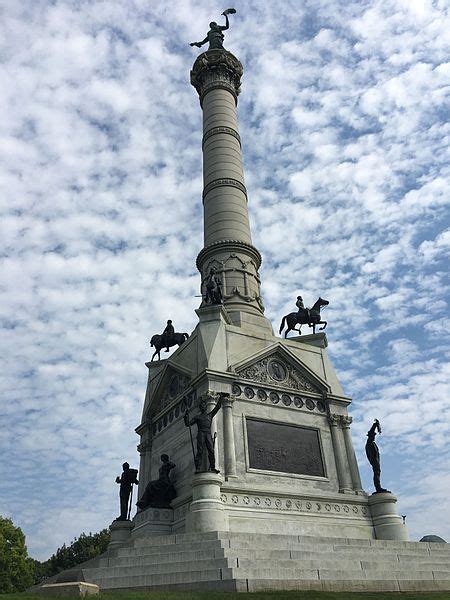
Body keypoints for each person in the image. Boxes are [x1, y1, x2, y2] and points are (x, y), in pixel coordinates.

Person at [184, 395, 224, 473]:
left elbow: (218, 407)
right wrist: (185, 416)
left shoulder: (210, 415)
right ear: (200, 408)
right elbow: (188, 424)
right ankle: (198, 468)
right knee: (200, 451)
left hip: (208, 433)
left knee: (211, 451)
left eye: (203, 406)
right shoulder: (197, 417)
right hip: (201, 433)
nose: (202, 407)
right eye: (201, 406)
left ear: (205, 407)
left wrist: (221, 397)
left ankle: (213, 467)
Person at [365, 420, 389, 493]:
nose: (374, 437)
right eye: (373, 436)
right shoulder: (369, 442)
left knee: (377, 473)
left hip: (376, 461)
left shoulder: (372, 443)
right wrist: (375, 425)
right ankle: (378, 488)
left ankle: (378, 487)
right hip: (374, 461)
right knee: (376, 473)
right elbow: (371, 432)